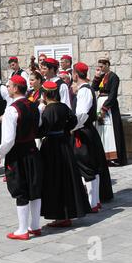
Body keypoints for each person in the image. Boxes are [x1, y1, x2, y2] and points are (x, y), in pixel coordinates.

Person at [0, 75, 43, 240]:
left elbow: (9, 139)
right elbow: (40, 125)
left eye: (9, 86)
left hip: (17, 153)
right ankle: (35, 226)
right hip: (32, 150)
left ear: (15, 88)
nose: (7, 88)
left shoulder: (12, 109)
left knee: (20, 189)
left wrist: (0, 154)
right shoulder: (35, 106)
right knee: (34, 188)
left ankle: (23, 229)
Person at [39, 81, 91, 228]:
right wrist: (65, 130)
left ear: (44, 94)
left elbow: (42, 130)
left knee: (54, 179)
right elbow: (73, 120)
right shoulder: (64, 107)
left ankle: (60, 215)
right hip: (64, 144)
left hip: (51, 147)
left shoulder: (48, 110)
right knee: (66, 178)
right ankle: (67, 213)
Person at [71, 63, 113, 213]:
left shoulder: (84, 91)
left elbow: (81, 115)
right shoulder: (86, 89)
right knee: (92, 167)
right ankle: (95, 201)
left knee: (87, 167)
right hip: (87, 130)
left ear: (76, 75)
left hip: (82, 132)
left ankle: (92, 202)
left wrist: (71, 128)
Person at [92, 58, 128, 166]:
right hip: (100, 103)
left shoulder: (114, 77)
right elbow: (94, 88)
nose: (100, 68)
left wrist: (104, 108)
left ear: (107, 65)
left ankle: (114, 157)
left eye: (102, 66)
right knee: (102, 130)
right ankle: (103, 156)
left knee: (110, 131)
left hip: (109, 107)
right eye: (99, 66)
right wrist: (97, 77)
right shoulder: (101, 77)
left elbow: (113, 95)